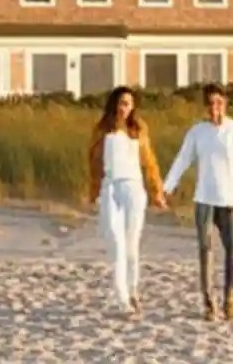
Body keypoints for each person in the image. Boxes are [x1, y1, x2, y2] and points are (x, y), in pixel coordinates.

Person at [161, 82, 233, 322]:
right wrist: (168, 186)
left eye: (219, 102)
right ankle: (209, 304)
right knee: (206, 252)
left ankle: (231, 300)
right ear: (206, 106)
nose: (214, 107)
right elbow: (183, 159)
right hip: (205, 199)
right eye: (210, 103)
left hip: (232, 200)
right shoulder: (197, 132)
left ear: (225, 103)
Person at [87, 86, 168, 316]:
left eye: (128, 103)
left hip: (133, 187)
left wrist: (157, 191)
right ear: (114, 104)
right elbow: (93, 161)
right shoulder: (102, 129)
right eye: (120, 103)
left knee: (132, 244)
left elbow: (149, 162)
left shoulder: (138, 129)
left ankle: (133, 291)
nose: (123, 108)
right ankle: (121, 298)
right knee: (116, 243)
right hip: (110, 186)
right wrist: (93, 191)